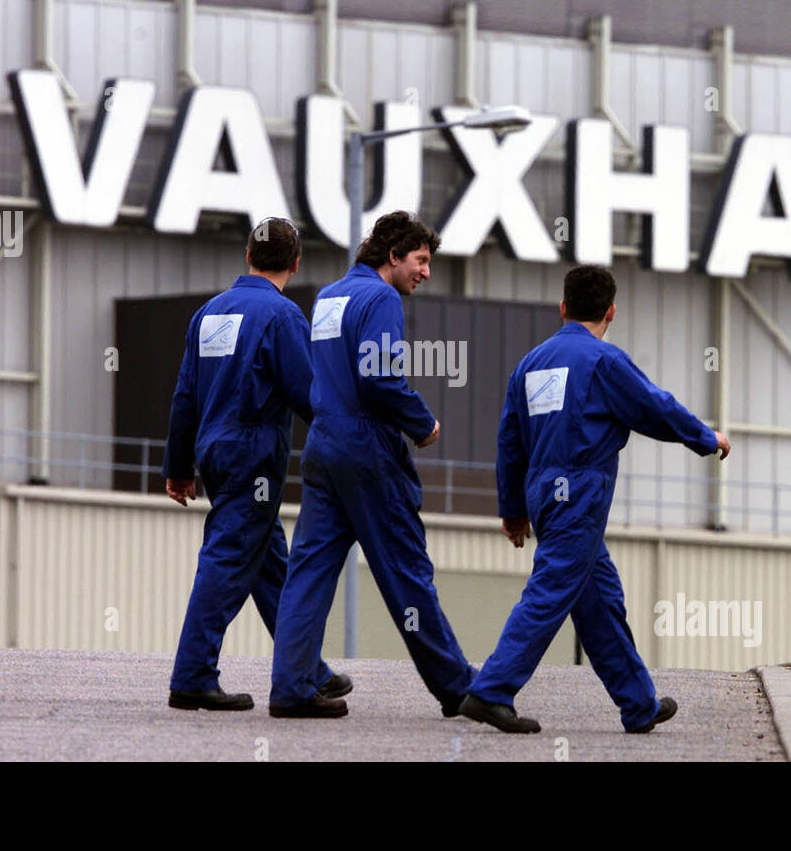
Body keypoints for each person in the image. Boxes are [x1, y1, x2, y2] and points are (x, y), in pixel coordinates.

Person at [459, 265, 730, 734]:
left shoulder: (530, 363)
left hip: (543, 492)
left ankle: (638, 702)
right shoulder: (604, 362)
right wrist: (706, 438)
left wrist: (513, 509)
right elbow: (655, 408)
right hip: (579, 494)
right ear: (611, 312)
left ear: (562, 308)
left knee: (599, 598)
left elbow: (509, 442)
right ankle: (491, 690)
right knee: (549, 592)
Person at [268, 211, 476, 719]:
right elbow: (381, 379)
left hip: (321, 446)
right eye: (421, 261)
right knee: (406, 570)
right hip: (367, 449)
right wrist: (422, 422)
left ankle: (291, 687)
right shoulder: (380, 298)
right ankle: (458, 688)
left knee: (308, 572)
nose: (425, 272)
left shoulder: (328, 296)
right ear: (393, 256)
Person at [162, 217, 349, 711]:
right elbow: (310, 394)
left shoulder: (209, 314)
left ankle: (309, 670)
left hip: (215, 455)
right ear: (295, 263)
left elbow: (185, 396)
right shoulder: (283, 317)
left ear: (248, 256)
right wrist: (351, 438)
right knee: (225, 562)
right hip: (254, 459)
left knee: (272, 568)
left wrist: (178, 467)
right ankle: (193, 676)